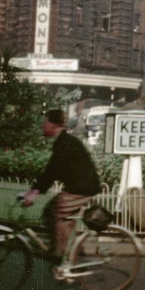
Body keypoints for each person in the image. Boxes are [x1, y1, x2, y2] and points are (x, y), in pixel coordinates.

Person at [22, 109, 101, 260]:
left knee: (59, 214)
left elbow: (52, 171)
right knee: (50, 212)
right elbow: (52, 170)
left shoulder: (64, 143)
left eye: (45, 123)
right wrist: (35, 189)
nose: (42, 126)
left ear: (53, 125)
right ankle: (62, 252)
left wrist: (34, 192)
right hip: (79, 186)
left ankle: (63, 258)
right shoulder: (63, 141)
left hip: (81, 188)